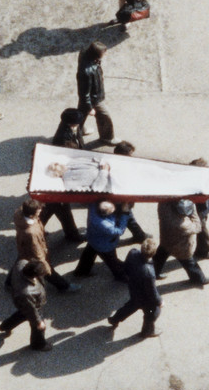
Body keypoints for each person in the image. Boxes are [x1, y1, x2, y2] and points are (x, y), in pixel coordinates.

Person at [40, 113, 87, 243]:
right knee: (61, 209)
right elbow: (64, 156)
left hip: (61, 176)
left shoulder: (71, 129)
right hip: (60, 176)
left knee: (51, 208)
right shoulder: (62, 139)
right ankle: (72, 234)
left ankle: (39, 228)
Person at [14, 198, 76, 293]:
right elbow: (37, 250)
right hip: (33, 249)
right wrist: (45, 264)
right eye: (38, 212)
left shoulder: (19, 214)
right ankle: (64, 286)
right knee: (46, 270)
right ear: (32, 215)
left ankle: (10, 282)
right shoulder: (32, 232)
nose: (40, 212)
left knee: (22, 259)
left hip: (23, 246)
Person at [75, 199, 145, 280]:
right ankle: (120, 276)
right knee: (113, 262)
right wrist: (125, 213)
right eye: (112, 210)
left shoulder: (94, 207)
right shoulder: (106, 225)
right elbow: (119, 231)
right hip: (105, 246)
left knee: (88, 255)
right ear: (106, 214)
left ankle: (81, 272)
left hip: (93, 239)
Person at [0, 259, 52, 351]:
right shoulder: (27, 293)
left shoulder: (21, 263)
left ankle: (5, 326)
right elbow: (31, 309)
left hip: (23, 303)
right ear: (35, 276)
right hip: (33, 305)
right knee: (38, 328)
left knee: (21, 315)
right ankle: (38, 345)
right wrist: (38, 321)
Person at [151, 198, 208, 285]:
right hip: (181, 248)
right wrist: (192, 209)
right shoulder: (184, 225)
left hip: (166, 241)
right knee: (191, 265)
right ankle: (200, 279)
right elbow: (198, 227)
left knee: (158, 259)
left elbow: (163, 200)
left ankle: (154, 273)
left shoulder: (164, 208)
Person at [108, 246, 162, 338]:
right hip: (144, 295)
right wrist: (159, 301)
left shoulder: (133, 253)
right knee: (154, 311)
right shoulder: (149, 272)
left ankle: (114, 319)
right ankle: (147, 331)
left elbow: (126, 266)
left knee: (131, 306)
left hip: (133, 287)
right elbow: (152, 291)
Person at [74, 42, 114, 146]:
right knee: (105, 116)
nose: (106, 55)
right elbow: (84, 93)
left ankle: (78, 131)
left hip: (92, 95)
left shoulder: (86, 56)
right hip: (94, 98)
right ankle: (107, 137)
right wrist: (90, 107)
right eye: (104, 53)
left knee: (81, 114)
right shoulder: (86, 72)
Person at [190, 158, 209, 261]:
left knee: (201, 227)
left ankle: (205, 249)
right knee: (202, 226)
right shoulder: (208, 176)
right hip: (204, 207)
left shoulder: (204, 183)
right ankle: (202, 249)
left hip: (201, 207)